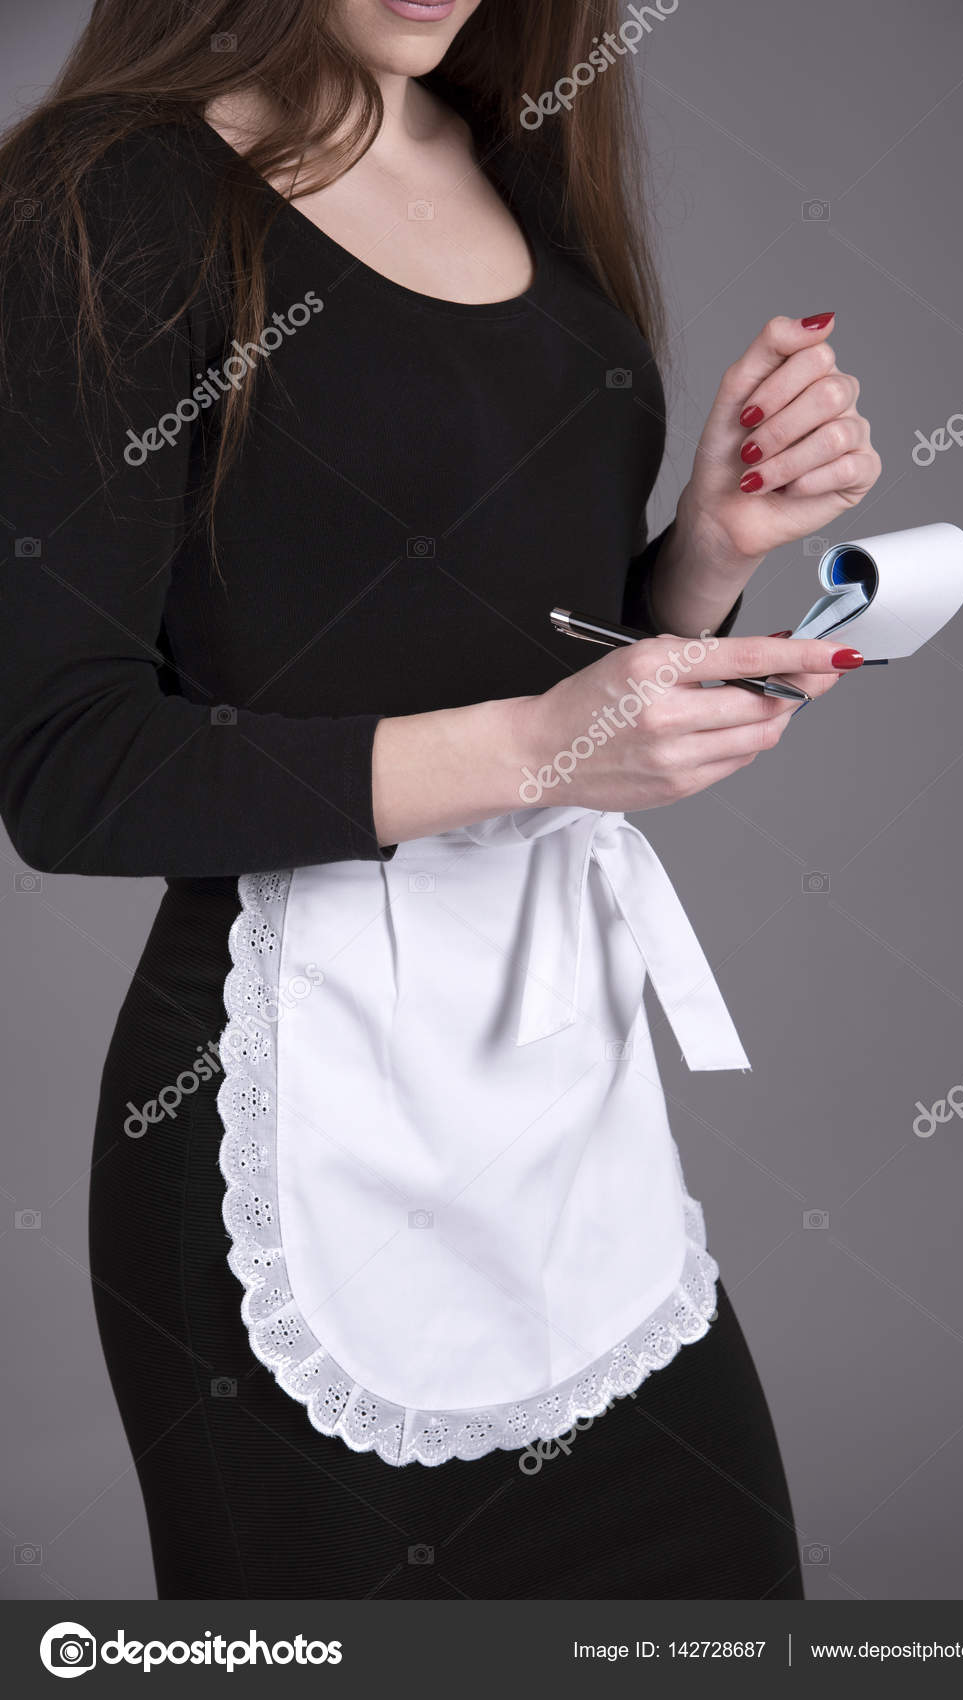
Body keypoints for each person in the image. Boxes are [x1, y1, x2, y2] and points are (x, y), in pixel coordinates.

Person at [0, 0, 880, 1599]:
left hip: (567, 1106)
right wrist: (540, 751)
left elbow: (535, 660)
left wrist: (712, 553)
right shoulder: (110, 191)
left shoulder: (517, 156)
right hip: (275, 1117)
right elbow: (66, 767)